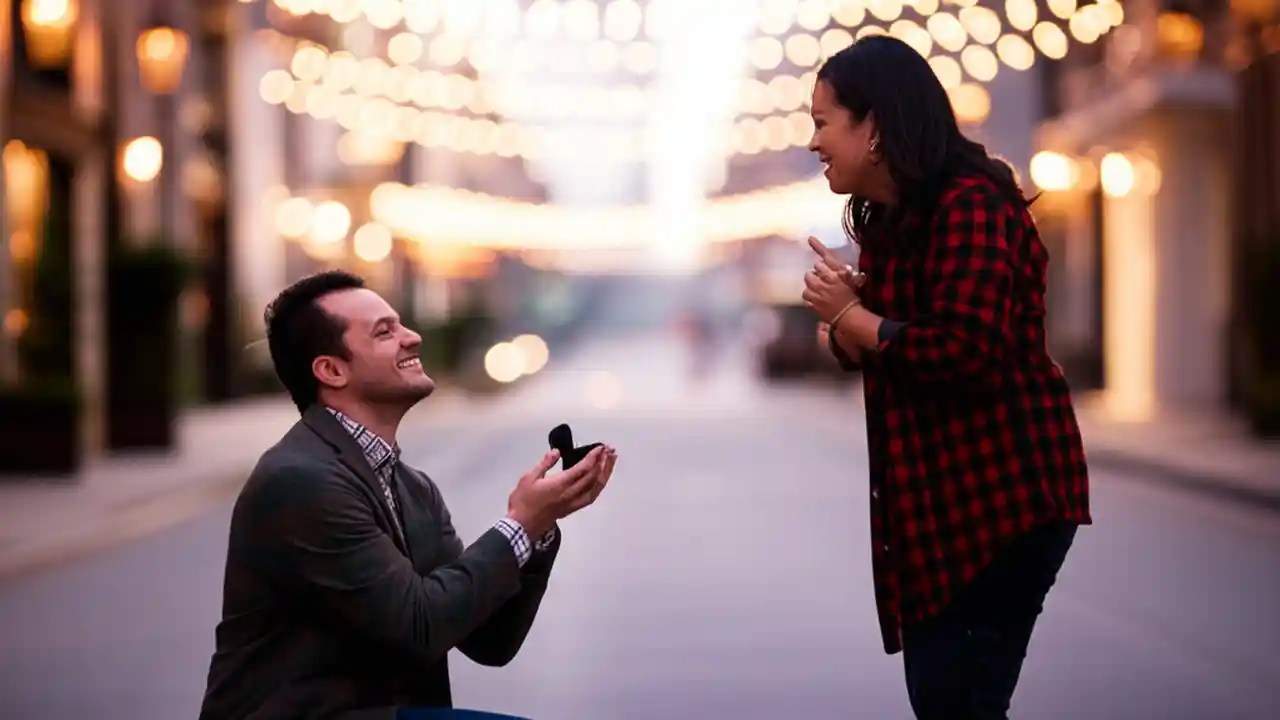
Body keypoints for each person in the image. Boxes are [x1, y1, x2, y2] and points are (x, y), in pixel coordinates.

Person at [800, 36, 1091, 719]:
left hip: (1002, 503)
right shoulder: (891, 221)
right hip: (940, 511)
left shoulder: (971, 205)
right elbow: (883, 347)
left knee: (956, 703)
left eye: (821, 121)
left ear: (874, 126)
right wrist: (846, 320)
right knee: (950, 703)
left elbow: (966, 352)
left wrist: (853, 317)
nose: (813, 142)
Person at [199, 270, 617, 719]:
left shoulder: (412, 487)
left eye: (401, 324)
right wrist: (520, 524)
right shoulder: (301, 481)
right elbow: (420, 626)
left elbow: (489, 640)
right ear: (331, 370)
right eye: (385, 332)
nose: (412, 337)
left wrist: (540, 527)